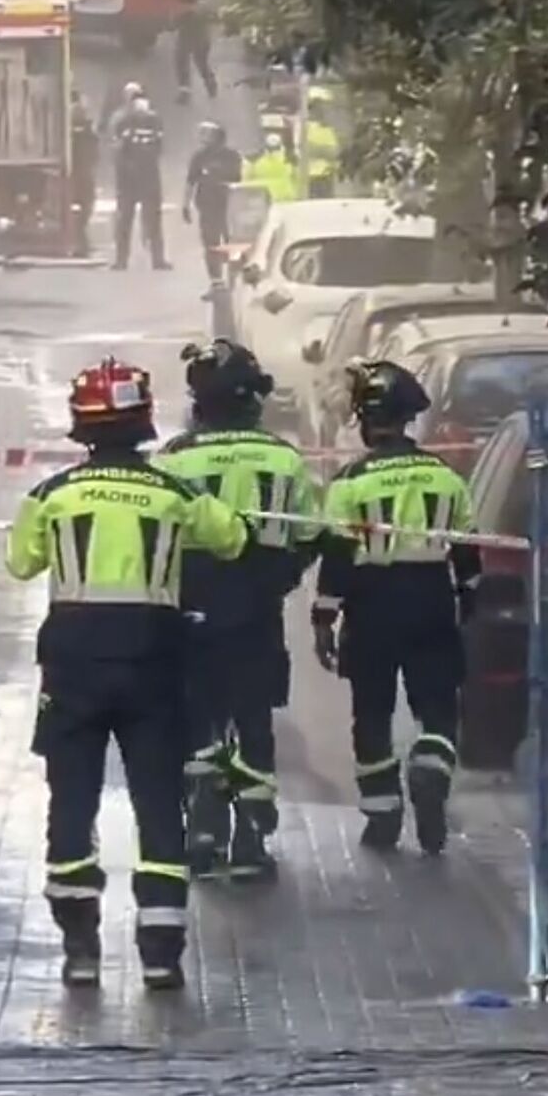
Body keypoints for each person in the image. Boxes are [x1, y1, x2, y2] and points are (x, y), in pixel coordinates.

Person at [7, 358, 246, 989]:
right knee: (158, 804)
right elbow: (230, 540)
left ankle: (81, 947)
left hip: (73, 664)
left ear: (80, 426)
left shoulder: (50, 495)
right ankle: (161, 952)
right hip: (154, 661)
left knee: (73, 800)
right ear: (144, 422)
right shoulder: (176, 494)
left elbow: (20, 561)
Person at [154, 341, 322, 882]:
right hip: (256, 610)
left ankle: (201, 828)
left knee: (197, 716)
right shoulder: (283, 458)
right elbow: (312, 532)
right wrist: (284, 575)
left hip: (189, 609)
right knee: (253, 720)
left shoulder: (174, 457)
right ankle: (250, 839)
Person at [312, 358, 482, 856]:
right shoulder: (444, 477)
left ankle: (383, 817)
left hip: (371, 607)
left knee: (371, 713)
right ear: (409, 419)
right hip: (431, 600)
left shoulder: (349, 482)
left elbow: (338, 559)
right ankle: (431, 772)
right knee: (437, 709)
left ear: (366, 419)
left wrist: (324, 621)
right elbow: (467, 555)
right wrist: (467, 604)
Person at [182, 121, 246, 285]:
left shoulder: (232, 156)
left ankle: (234, 280)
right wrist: (185, 204)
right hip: (207, 206)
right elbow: (191, 181)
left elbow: (240, 179)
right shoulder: (199, 156)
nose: (204, 138)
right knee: (211, 244)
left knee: (233, 242)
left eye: (207, 135)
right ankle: (216, 280)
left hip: (229, 206)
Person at [111, 94, 170, 271]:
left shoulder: (154, 122)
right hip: (130, 180)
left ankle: (158, 259)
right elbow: (117, 149)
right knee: (125, 220)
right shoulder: (123, 121)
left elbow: (159, 147)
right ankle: (121, 260)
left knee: (152, 220)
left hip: (148, 178)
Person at [172, 0, 220, 103]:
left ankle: (187, 90)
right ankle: (208, 83)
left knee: (186, 61)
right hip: (196, 35)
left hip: (192, 34)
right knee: (194, 62)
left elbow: (177, 17)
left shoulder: (189, 1)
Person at [68, 93, 101, 257]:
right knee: (82, 208)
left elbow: (95, 151)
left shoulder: (85, 129)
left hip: (82, 173)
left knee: (84, 208)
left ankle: (81, 242)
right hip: (78, 174)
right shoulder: (76, 130)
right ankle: (80, 243)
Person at [243, 116, 305, 204]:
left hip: (264, 199)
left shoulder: (255, 160)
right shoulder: (290, 160)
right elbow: (298, 178)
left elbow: (246, 179)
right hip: (283, 199)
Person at [300, 86, 344, 199]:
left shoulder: (326, 129)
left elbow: (335, 153)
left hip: (325, 177)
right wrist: (323, 150)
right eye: (323, 106)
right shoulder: (302, 127)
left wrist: (316, 149)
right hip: (307, 178)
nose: (326, 110)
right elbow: (303, 149)